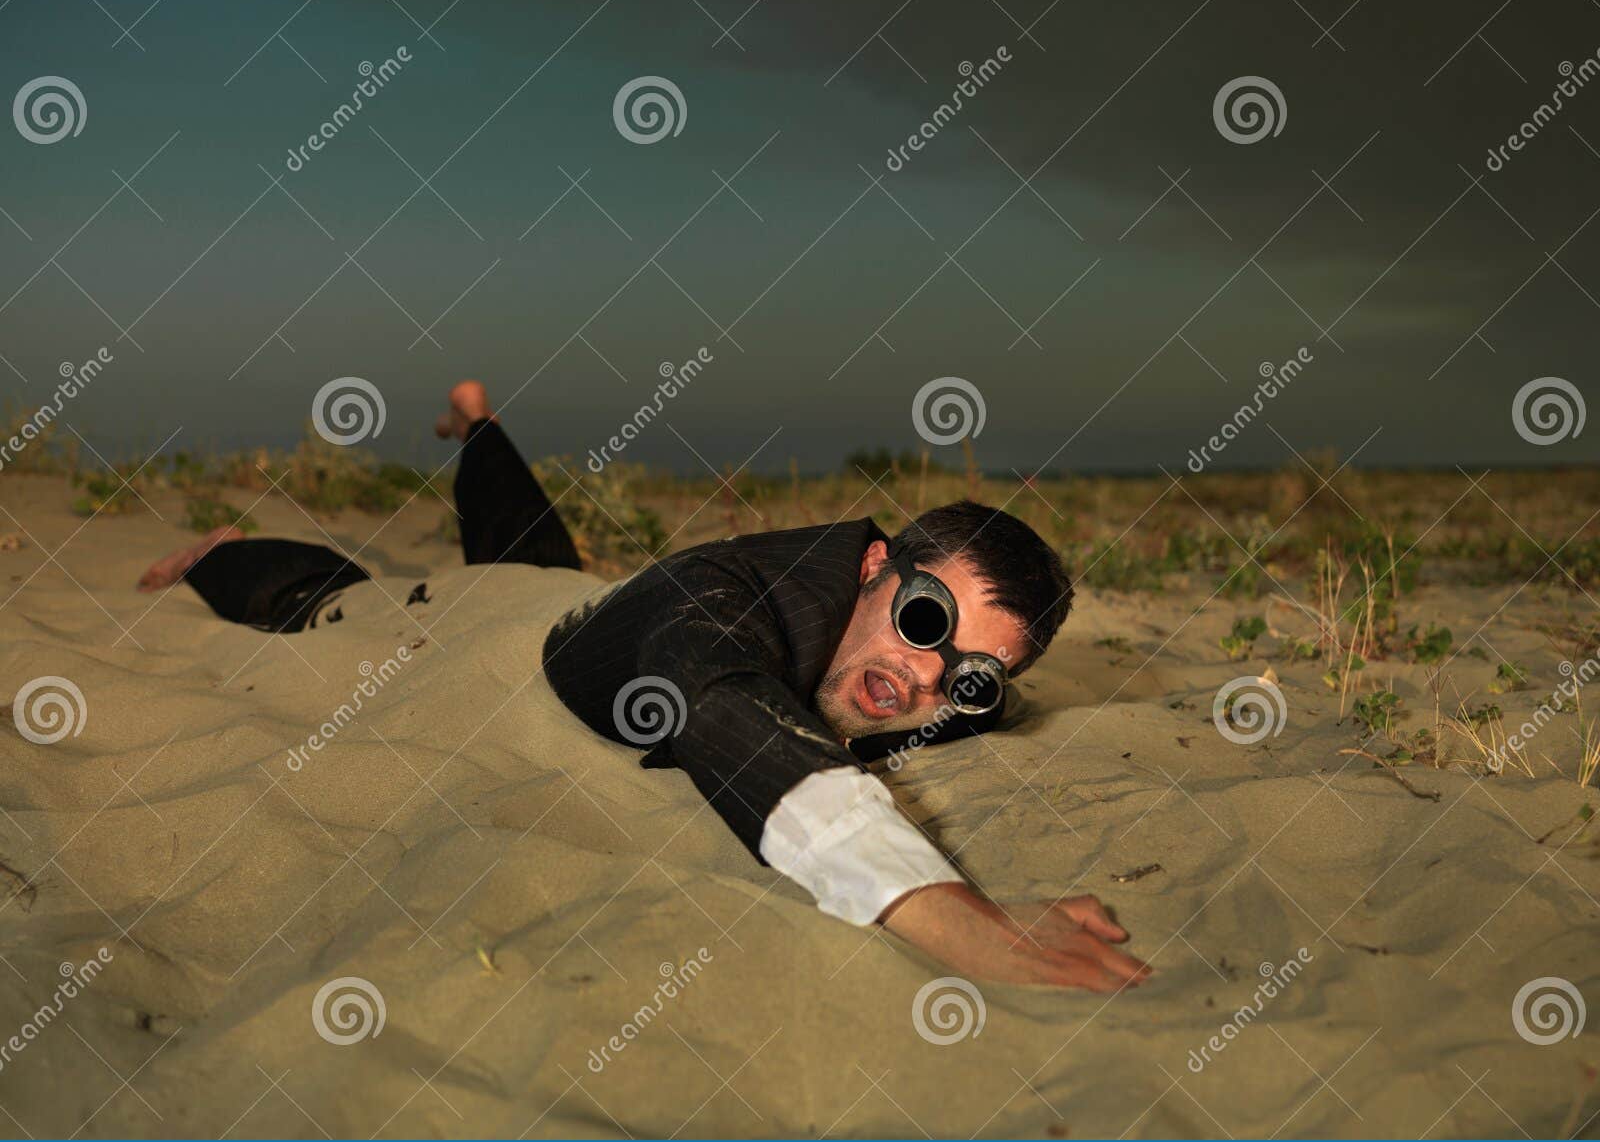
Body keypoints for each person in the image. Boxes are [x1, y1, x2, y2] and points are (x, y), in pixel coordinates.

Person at [140, 382, 1151, 992]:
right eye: (924, 620)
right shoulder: (712, 595)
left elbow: (974, 687)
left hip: (567, 591)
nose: (927, 673)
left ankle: (478, 425)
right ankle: (213, 553)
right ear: (873, 565)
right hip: (444, 636)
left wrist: (973, 684)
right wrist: (949, 913)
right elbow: (716, 697)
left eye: (967, 674)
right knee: (330, 596)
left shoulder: (940, 684)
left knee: (531, 544)